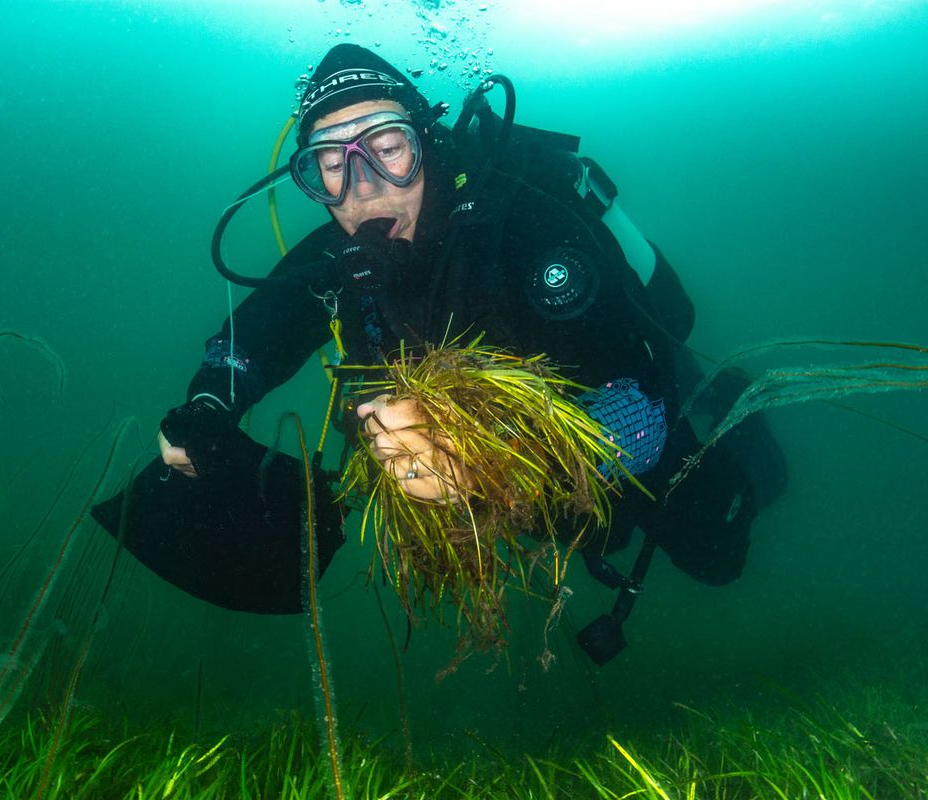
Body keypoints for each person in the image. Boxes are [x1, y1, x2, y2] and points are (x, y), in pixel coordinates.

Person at [99, 44, 787, 660]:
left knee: (712, 555)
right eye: (330, 164)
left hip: (637, 446)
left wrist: (498, 460)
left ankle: (742, 420)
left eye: (386, 147)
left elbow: (648, 402)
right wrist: (209, 405)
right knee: (570, 534)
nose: (361, 185)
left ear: (425, 143)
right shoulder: (337, 259)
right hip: (522, 502)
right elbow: (250, 340)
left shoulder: (528, 228)